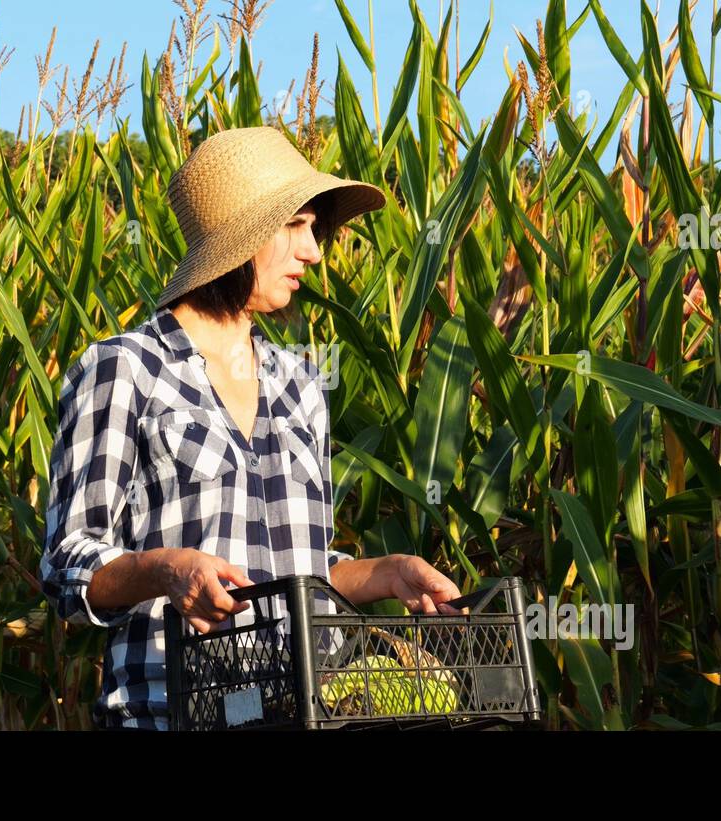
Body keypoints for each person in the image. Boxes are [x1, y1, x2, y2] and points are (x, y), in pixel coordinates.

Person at [40, 126, 463, 730]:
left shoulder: (300, 383)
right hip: (169, 714)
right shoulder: (124, 371)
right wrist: (167, 569)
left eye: (315, 230)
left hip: (301, 713)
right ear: (238, 239)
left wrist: (390, 573)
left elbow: (304, 572)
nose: (314, 252)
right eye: (296, 227)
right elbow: (67, 563)